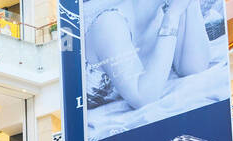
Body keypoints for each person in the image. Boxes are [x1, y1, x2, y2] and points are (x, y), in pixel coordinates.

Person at [83, 0, 213, 114]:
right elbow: (143, 98)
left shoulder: (162, 10)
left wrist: (190, 5)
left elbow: (193, 68)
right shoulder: (109, 23)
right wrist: (172, 16)